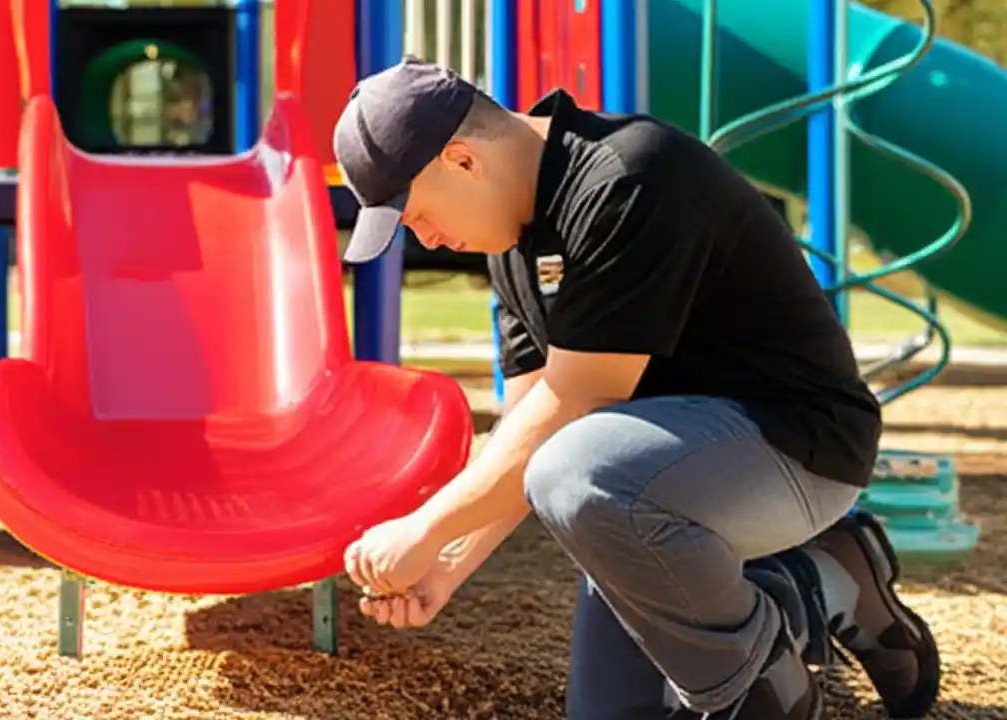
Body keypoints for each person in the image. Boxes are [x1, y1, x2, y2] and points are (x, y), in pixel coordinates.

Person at [332, 57, 940, 720]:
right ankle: (825, 580)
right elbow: (525, 434)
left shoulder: (629, 176)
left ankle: (765, 689)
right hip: (657, 481)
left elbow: (573, 411)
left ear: (462, 160)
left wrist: (424, 526)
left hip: (798, 447)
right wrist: (446, 565)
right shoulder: (511, 242)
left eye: (415, 215)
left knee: (578, 474)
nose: (426, 240)